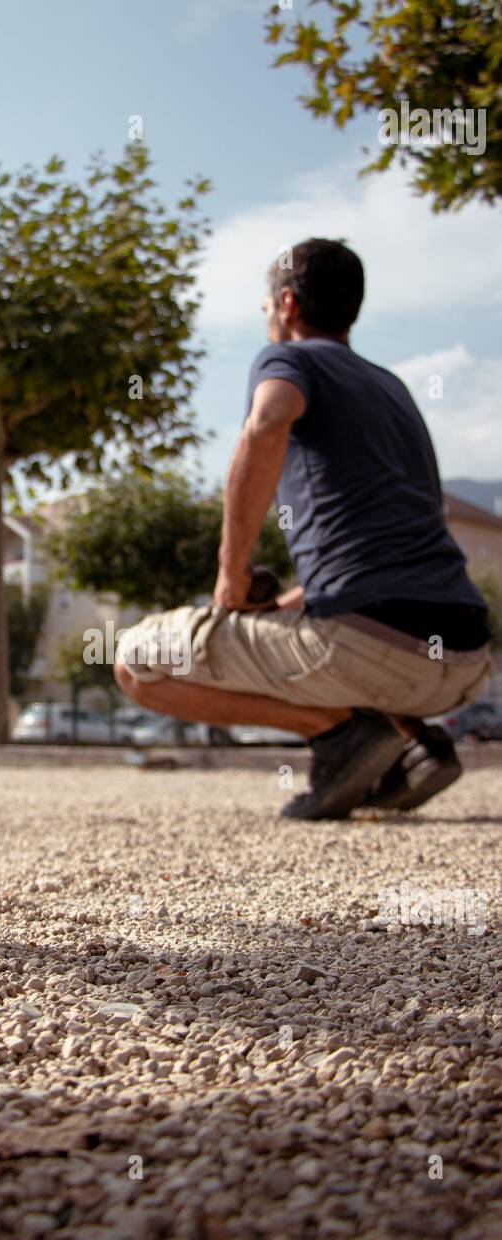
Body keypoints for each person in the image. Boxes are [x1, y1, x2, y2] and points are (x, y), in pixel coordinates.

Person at [114, 238, 493, 819]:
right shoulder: (393, 387)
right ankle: (416, 741)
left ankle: (340, 736)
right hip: (465, 659)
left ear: (287, 304)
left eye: (267, 306)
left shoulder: (289, 359)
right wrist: (286, 603)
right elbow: (390, 541)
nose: (266, 317)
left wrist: (230, 576)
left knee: (136, 662)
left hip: (367, 648)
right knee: (316, 622)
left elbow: (264, 426)